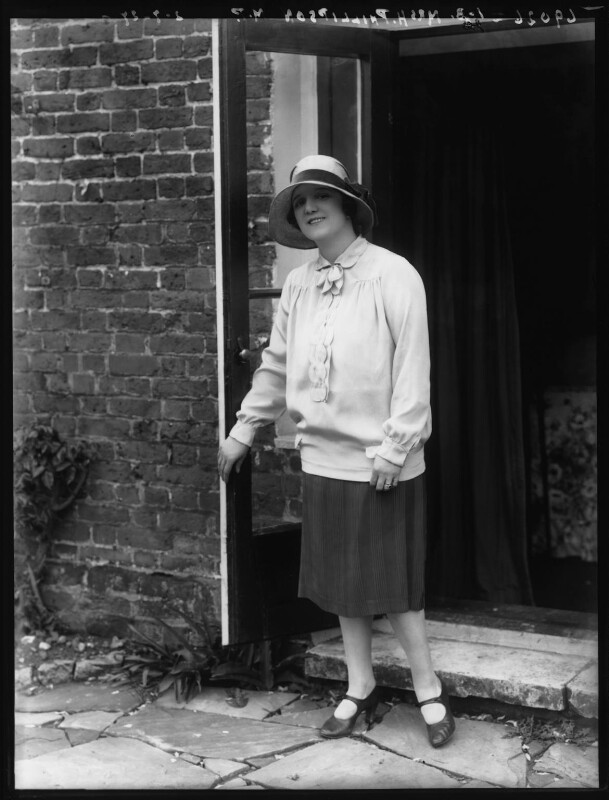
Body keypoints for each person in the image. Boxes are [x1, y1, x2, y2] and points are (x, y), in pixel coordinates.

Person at [217, 155, 455, 748]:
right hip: (322, 457)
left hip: (382, 460)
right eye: (299, 202)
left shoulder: (393, 274)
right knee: (344, 582)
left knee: (394, 584)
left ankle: (428, 690)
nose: (309, 208)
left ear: (348, 205)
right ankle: (359, 684)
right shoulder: (299, 284)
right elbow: (275, 366)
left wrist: (395, 447)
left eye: (320, 196)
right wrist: (245, 429)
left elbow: (412, 369)